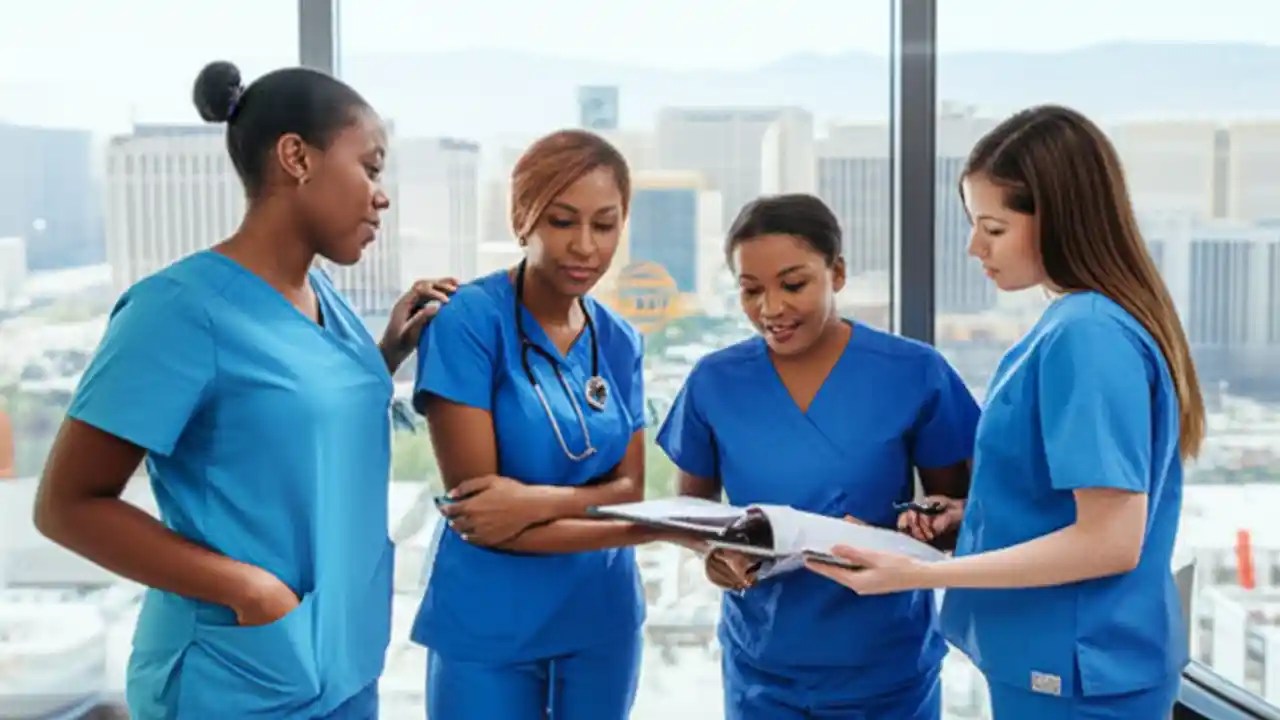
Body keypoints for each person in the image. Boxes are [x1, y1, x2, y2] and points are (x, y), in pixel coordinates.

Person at [32, 61, 456, 719]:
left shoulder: (327, 300)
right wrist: (250, 590)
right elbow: (67, 506)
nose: (382, 197)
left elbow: (292, 412)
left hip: (343, 661)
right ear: (297, 157)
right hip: (239, 675)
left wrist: (386, 355)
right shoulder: (178, 310)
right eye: (370, 168)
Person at [806, 104, 1205, 720]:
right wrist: (973, 518)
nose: (975, 247)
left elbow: (1109, 542)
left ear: (1059, 218)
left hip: (1076, 673)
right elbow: (1070, 504)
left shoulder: (1087, 335)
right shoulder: (1082, 323)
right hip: (1065, 662)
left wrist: (915, 574)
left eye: (993, 229)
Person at [655, 193, 981, 720]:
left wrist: (906, 534)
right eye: (751, 290)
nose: (771, 309)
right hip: (762, 668)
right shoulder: (714, 381)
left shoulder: (914, 372)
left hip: (886, 666)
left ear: (838, 273)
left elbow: (958, 518)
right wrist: (717, 556)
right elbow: (692, 513)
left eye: (793, 285)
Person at [411, 129, 661, 719]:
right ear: (522, 219)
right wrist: (637, 524)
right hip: (489, 626)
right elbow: (482, 519)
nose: (585, 246)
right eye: (562, 221)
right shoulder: (469, 321)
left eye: (605, 225)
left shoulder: (619, 340)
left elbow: (632, 490)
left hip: (602, 621)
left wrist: (529, 502)